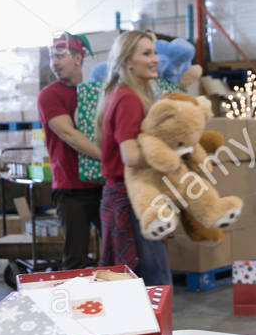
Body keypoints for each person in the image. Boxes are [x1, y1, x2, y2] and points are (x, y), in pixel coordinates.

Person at [96, 31, 171, 284]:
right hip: (131, 200)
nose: (156, 59)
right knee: (155, 282)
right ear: (128, 61)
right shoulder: (128, 98)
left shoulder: (122, 94)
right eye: (147, 53)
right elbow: (130, 155)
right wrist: (171, 158)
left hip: (126, 196)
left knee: (132, 282)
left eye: (155, 52)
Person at [37, 33, 104, 270]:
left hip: (104, 185)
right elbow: (69, 134)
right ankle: (73, 304)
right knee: (76, 254)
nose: (54, 62)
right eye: (51, 57)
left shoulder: (97, 91)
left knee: (114, 249)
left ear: (78, 58)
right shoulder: (49, 95)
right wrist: (110, 160)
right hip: (71, 188)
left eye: (60, 56)